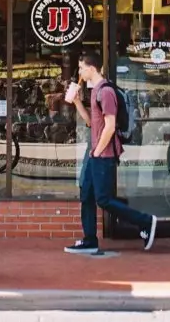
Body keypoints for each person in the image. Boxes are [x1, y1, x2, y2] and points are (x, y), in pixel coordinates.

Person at [64, 51, 158, 254]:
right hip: (95, 152)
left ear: (91, 68)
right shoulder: (95, 91)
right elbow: (91, 122)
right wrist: (77, 102)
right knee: (86, 195)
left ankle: (145, 222)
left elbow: (110, 126)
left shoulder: (105, 92)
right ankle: (90, 239)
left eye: (81, 68)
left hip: (103, 154)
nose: (79, 72)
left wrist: (97, 152)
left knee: (103, 199)